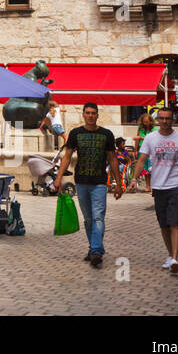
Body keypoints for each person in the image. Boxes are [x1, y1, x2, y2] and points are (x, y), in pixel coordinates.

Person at [52, 101, 122, 268]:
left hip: (99, 183)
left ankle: (96, 250)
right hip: (81, 182)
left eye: (93, 113)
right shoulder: (76, 133)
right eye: (88, 113)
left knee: (98, 216)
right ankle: (93, 249)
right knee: (88, 219)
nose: (90, 116)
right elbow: (67, 157)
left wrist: (119, 183)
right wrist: (58, 177)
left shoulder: (107, 134)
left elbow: (113, 159)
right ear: (83, 115)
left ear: (97, 115)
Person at [138, 106, 178, 274]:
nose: (164, 122)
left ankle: (175, 258)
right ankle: (170, 255)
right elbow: (141, 160)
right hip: (158, 187)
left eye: (168, 118)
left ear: (172, 119)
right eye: (161, 118)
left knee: (175, 223)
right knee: (164, 225)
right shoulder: (150, 138)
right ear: (158, 120)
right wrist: (133, 178)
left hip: (175, 186)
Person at [131, 111, 156, 192]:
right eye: (144, 122)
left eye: (147, 122)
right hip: (142, 150)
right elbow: (137, 140)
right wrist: (135, 150)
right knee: (145, 170)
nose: (145, 123)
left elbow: (152, 139)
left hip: (151, 151)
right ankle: (148, 186)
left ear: (150, 121)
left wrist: (139, 138)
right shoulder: (140, 128)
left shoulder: (154, 129)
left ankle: (154, 187)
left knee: (151, 169)